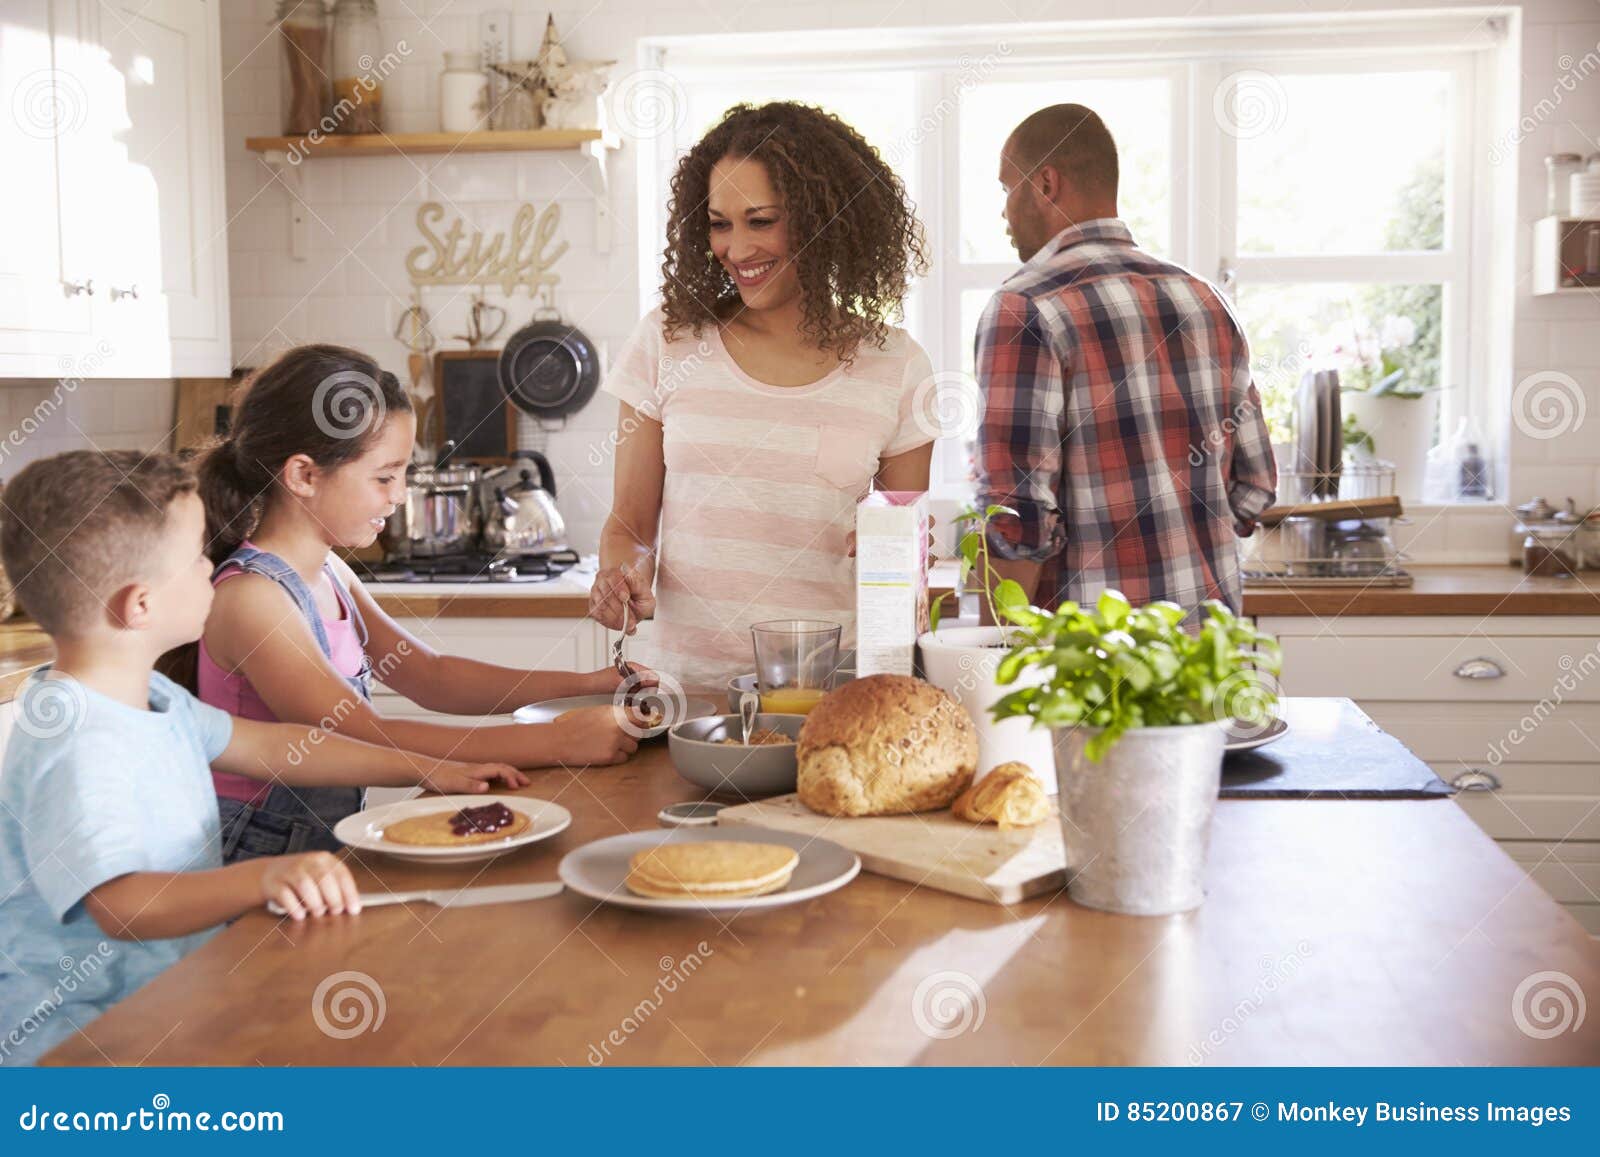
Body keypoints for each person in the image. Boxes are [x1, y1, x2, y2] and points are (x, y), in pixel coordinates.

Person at [0, 450, 521, 1065]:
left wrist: (422, 768)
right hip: (76, 1044)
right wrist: (262, 877)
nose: (210, 568)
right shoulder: (78, 742)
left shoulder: (151, 697)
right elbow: (122, 905)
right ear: (137, 606)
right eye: (197, 556)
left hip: (160, 1007)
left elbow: (273, 746)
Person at [194, 344, 648, 861]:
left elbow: (431, 675)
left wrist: (586, 687)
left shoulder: (330, 571)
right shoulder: (254, 599)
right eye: (384, 477)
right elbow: (362, 734)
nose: (401, 495)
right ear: (303, 475)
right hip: (251, 856)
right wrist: (555, 743)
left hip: (313, 850)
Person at [588, 101, 945, 688]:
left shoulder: (897, 365)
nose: (736, 248)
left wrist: (900, 552)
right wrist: (621, 576)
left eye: (761, 221)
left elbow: (904, 545)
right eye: (720, 223)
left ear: (823, 220)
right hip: (686, 695)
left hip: (833, 692)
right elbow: (629, 524)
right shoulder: (667, 341)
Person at [974, 104, 1276, 618]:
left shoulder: (1024, 308)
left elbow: (1018, 520)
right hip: (1204, 659)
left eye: (1007, 189)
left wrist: (991, 663)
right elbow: (1256, 486)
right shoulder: (1205, 299)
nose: (1004, 212)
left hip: (1087, 671)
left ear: (1045, 183)